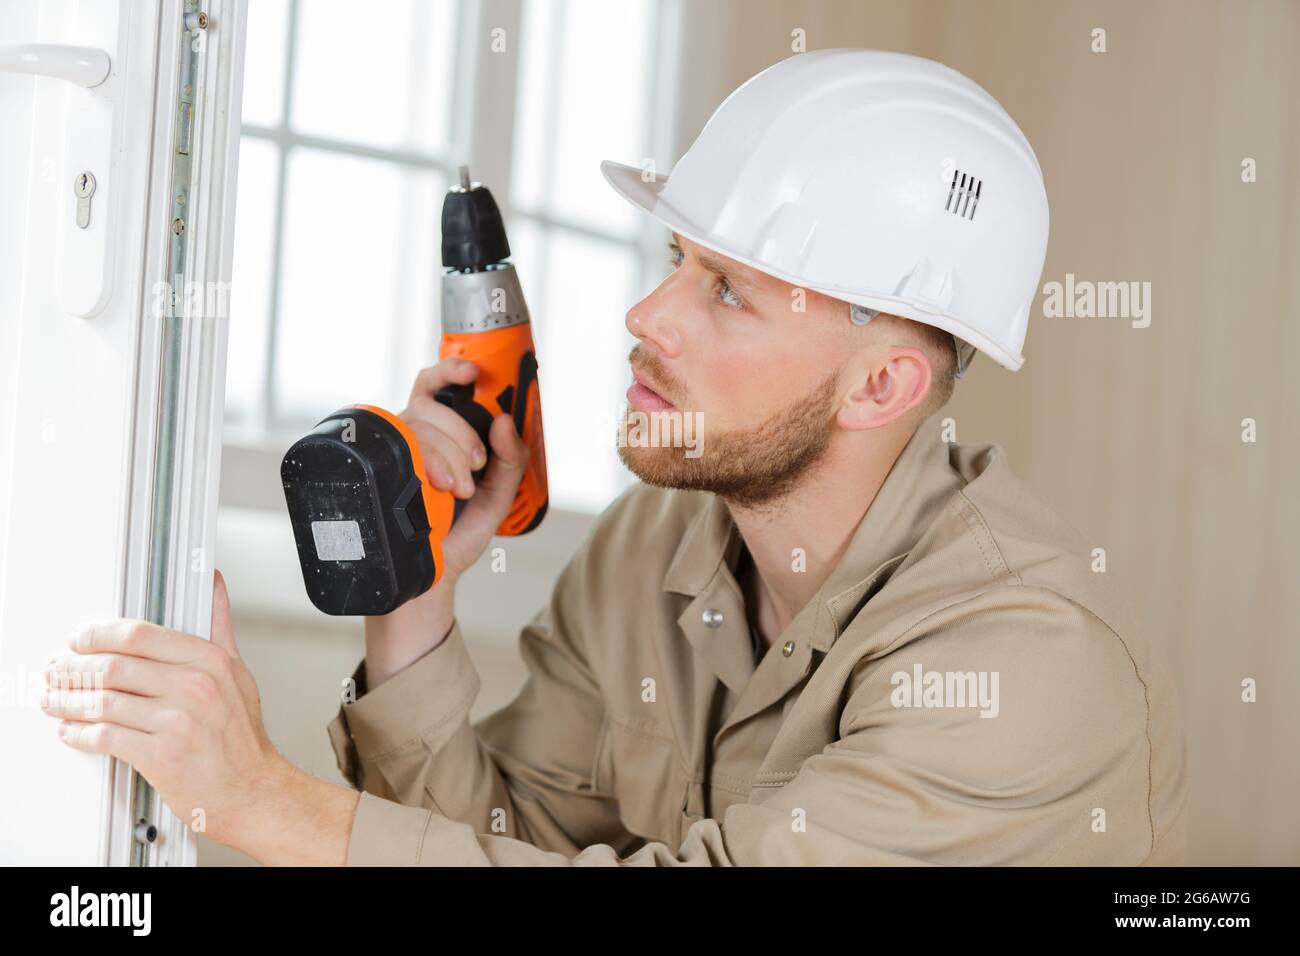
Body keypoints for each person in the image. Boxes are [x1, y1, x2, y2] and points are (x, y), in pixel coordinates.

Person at [41, 49, 1186, 865]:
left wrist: (261, 801)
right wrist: (415, 597)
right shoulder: (662, 541)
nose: (647, 312)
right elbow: (505, 838)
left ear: (880, 385)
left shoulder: (1027, 664)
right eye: (676, 258)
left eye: (727, 290)